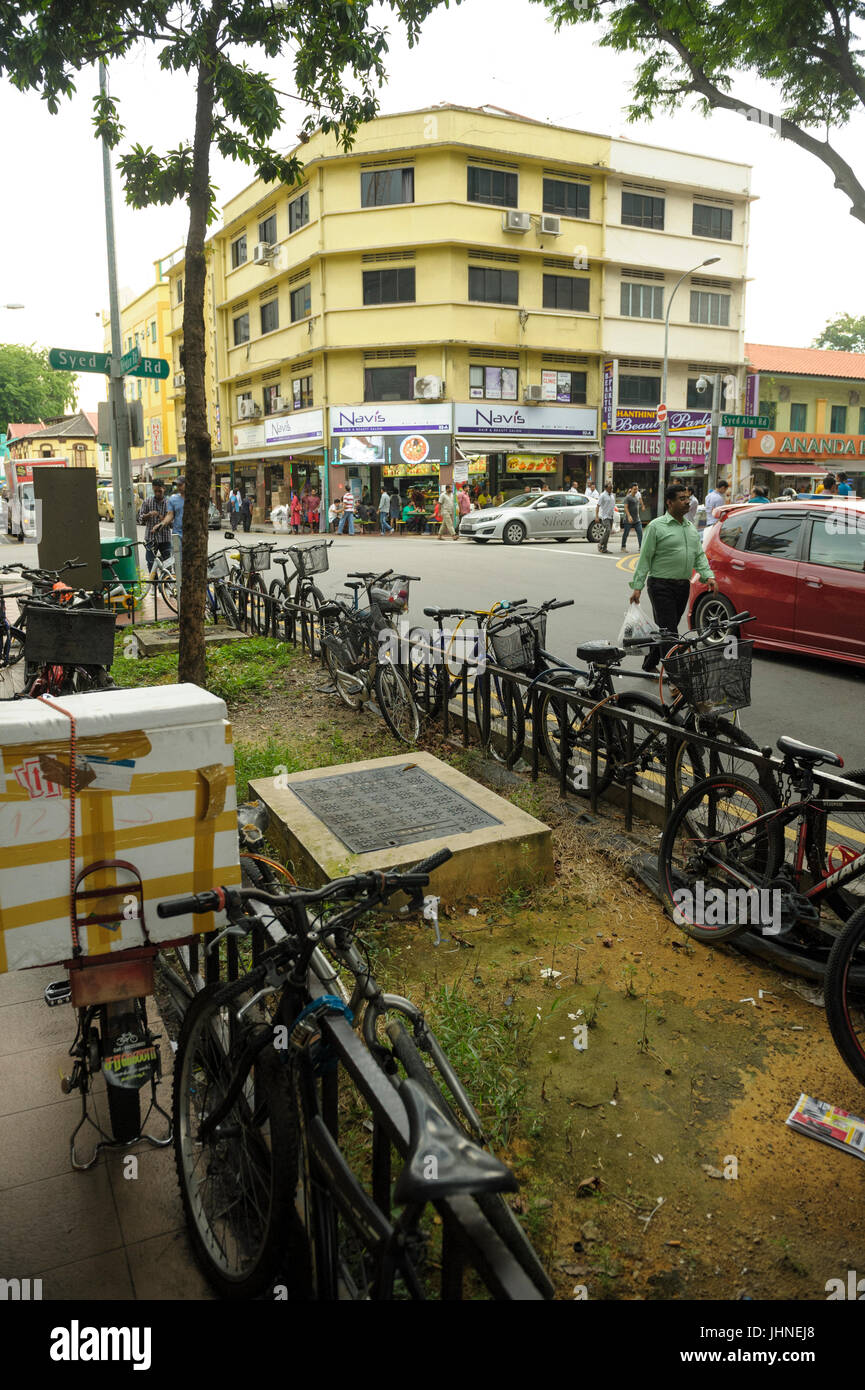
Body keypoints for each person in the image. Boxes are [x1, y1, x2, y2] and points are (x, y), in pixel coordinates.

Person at [629, 482, 717, 672]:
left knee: (666, 629)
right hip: (660, 586)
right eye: (682, 499)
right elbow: (645, 558)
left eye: (688, 498)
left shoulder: (690, 528)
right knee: (670, 633)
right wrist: (637, 587)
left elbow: (698, 556)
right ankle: (675, 677)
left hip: (682, 586)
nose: (687, 502)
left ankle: (650, 662)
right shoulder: (656, 527)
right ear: (669, 503)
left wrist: (708, 575)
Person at [155, 478, 185, 589]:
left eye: (181, 485)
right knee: (178, 562)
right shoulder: (173, 499)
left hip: (192, 536)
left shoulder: (194, 498)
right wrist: (161, 525)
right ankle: (179, 586)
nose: (179, 487)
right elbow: (170, 515)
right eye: (177, 485)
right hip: (178, 535)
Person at [138, 481, 171, 573]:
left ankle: (166, 583)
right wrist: (149, 514)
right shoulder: (147, 501)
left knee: (167, 563)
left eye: (159, 491)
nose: (157, 493)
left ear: (164, 489)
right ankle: (154, 584)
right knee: (150, 562)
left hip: (165, 538)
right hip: (150, 539)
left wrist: (162, 518)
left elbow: (173, 523)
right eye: (155, 491)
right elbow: (140, 519)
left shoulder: (169, 503)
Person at [595, 480, 616, 553]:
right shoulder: (602, 495)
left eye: (612, 488)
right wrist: (597, 516)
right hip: (604, 516)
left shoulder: (612, 495)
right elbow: (597, 506)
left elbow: (612, 506)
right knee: (608, 530)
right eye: (610, 488)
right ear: (606, 488)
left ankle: (604, 548)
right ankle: (600, 543)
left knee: (608, 532)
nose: (611, 489)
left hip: (611, 516)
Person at [620, 484, 642, 551]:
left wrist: (638, 515)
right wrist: (629, 516)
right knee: (626, 533)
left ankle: (641, 547)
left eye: (637, 489)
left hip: (637, 519)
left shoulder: (636, 497)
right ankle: (623, 547)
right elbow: (626, 508)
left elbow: (637, 508)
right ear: (631, 489)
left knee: (640, 532)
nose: (636, 491)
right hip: (628, 520)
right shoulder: (628, 498)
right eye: (634, 489)